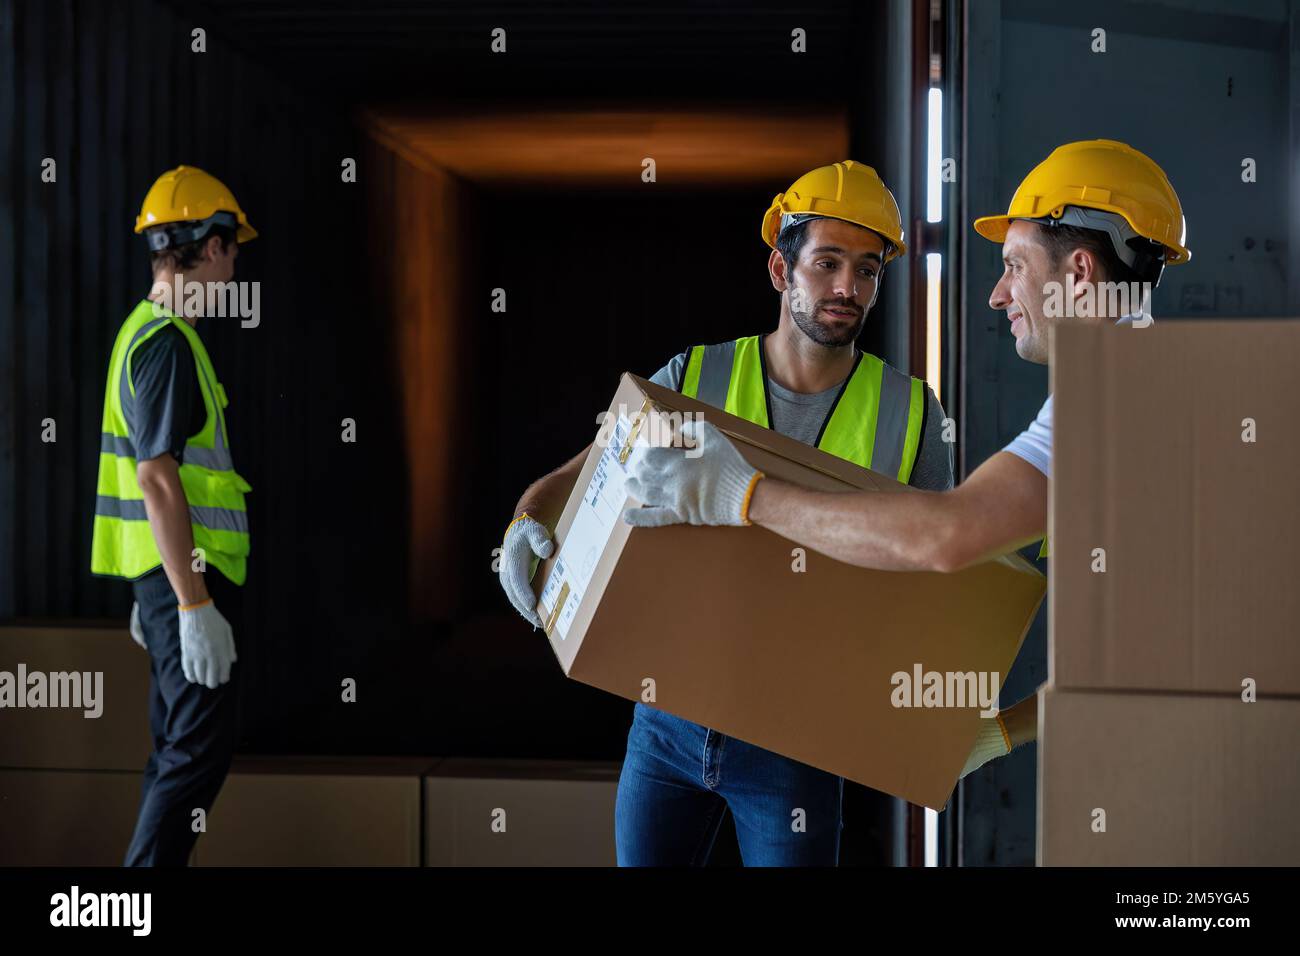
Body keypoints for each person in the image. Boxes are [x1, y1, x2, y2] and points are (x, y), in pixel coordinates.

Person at [621, 140, 1191, 776]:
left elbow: (947, 537)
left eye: (1014, 265)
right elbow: (1131, 650)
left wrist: (741, 494)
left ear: (1080, 273)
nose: (999, 295)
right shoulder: (1144, 380)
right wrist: (1001, 732)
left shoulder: (1107, 402)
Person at [500, 161, 953, 865]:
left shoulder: (913, 415)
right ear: (780, 269)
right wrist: (524, 522)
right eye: (827, 263)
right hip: (666, 724)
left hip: (795, 742)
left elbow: (939, 575)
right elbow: (585, 473)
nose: (847, 288)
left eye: (867, 270)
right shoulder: (695, 377)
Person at [91, 165, 257, 866]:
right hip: (185, 582)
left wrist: (158, 592)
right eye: (234, 248)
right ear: (212, 246)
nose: (236, 264)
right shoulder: (165, 342)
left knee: (179, 754)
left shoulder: (150, 331)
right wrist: (188, 603)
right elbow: (156, 479)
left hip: (165, 579)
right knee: (194, 755)